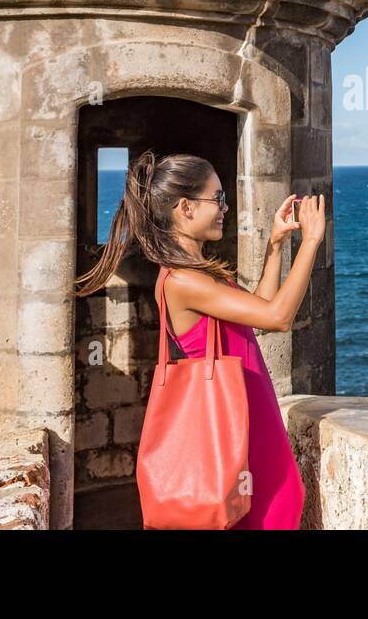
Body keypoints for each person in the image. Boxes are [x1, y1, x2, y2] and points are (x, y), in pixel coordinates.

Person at [74, 150, 323, 529]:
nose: (225, 208)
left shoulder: (196, 273)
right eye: (217, 198)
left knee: (276, 505)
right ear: (186, 208)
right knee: (278, 504)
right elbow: (280, 317)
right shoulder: (183, 281)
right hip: (238, 418)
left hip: (247, 414)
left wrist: (275, 246)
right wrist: (311, 242)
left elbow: (260, 314)